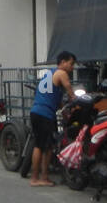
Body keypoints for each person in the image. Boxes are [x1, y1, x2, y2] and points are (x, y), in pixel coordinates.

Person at [28, 52, 77, 188]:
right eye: (71, 63)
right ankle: (38, 178)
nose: (72, 67)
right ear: (62, 62)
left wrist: (64, 111)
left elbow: (55, 97)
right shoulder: (62, 73)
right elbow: (70, 91)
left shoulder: (50, 73)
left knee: (43, 145)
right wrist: (77, 101)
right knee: (43, 146)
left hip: (37, 112)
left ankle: (40, 177)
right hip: (44, 114)